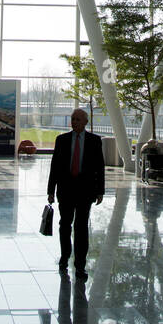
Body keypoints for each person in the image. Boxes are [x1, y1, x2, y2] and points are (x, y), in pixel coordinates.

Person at [47, 107, 104, 280]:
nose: (75, 122)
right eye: (73, 119)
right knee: (65, 225)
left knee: (81, 227)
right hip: (65, 190)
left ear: (86, 122)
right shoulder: (62, 140)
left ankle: (80, 264)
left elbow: (99, 167)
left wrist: (100, 190)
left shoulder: (95, 141)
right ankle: (65, 257)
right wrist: (51, 190)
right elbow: (55, 166)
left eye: (78, 119)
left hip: (85, 191)